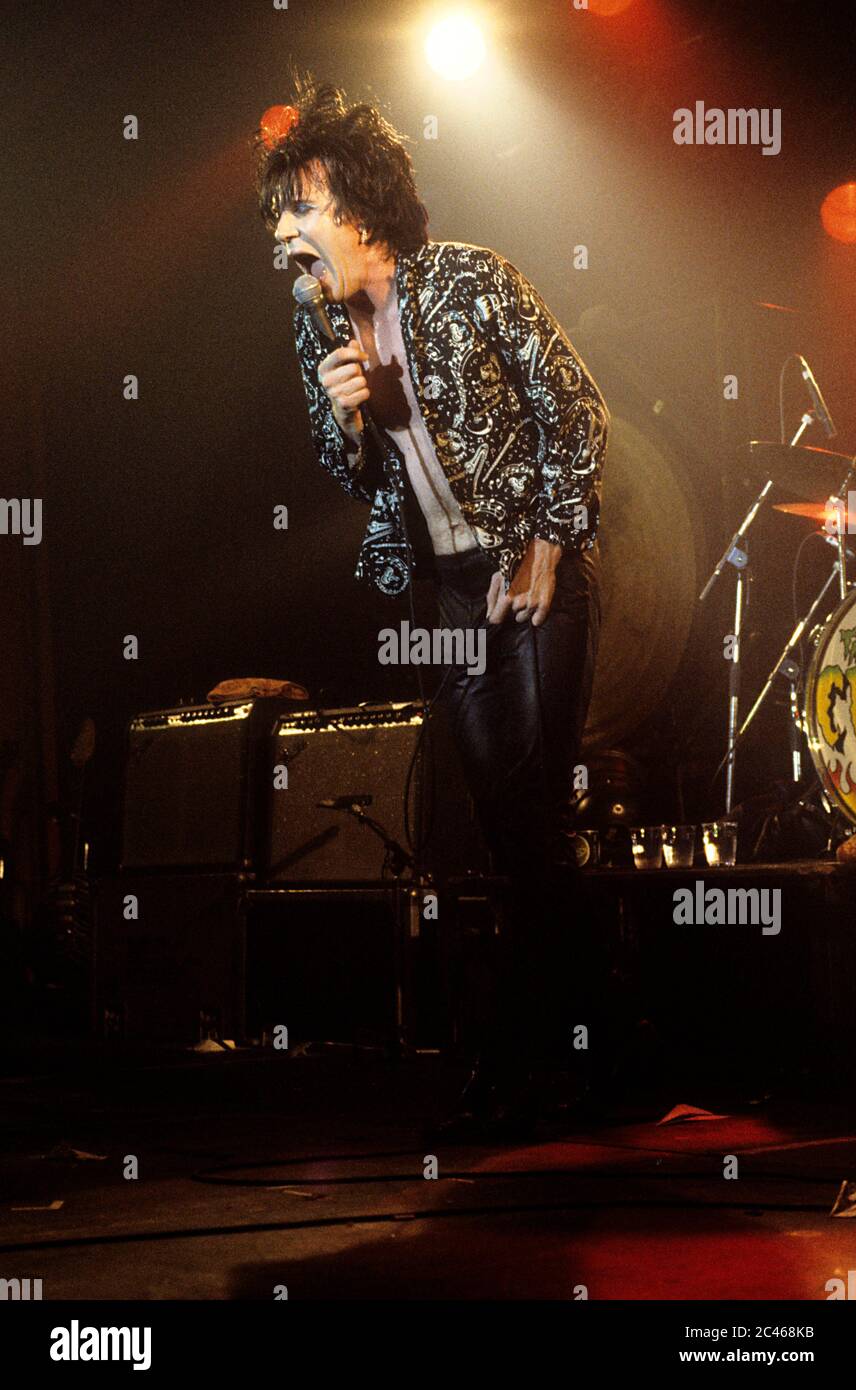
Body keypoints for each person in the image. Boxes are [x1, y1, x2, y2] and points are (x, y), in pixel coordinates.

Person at [255, 77, 610, 1133]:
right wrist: (350, 416)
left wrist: (550, 546)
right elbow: (353, 477)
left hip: (528, 564)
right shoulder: (316, 328)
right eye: (276, 214)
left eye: (300, 208)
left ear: (360, 211)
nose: (282, 234)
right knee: (503, 823)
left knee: (535, 810)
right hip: (447, 587)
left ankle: (539, 1056)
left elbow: (576, 411)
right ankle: (561, 1045)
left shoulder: (473, 283)